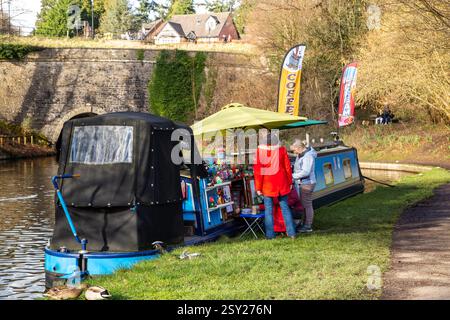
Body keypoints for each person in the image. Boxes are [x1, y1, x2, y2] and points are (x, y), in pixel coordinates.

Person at [254, 130, 296, 239]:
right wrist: (290, 182)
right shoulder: (282, 150)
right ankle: (291, 233)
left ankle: (270, 235)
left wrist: (258, 187)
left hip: (268, 186)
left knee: (268, 211)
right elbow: (288, 168)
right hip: (282, 184)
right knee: (285, 208)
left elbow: (258, 171)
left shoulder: (260, 151)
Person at [290, 140, 317, 233]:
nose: (294, 153)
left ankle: (308, 225)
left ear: (299, 148)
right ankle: (305, 223)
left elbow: (306, 171)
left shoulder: (308, 156)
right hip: (303, 183)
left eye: (294, 150)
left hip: (307, 183)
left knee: (307, 205)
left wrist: (292, 176)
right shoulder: (301, 154)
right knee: (305, 204)